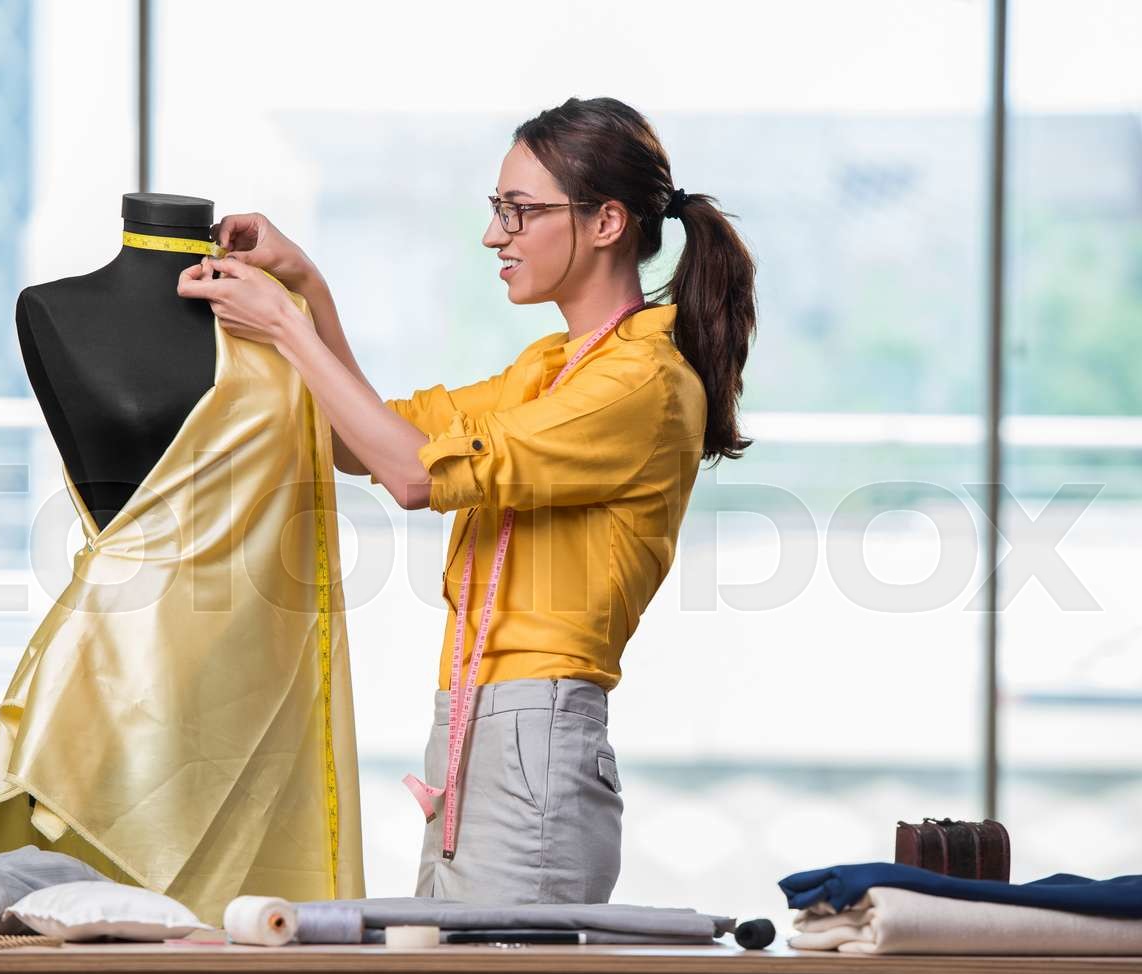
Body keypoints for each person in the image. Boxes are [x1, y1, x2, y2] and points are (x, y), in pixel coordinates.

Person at [176, 96, 756, 905]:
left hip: (535, 732)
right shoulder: (551, 367)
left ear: (606, 222)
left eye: (519, 212)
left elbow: (416, 479)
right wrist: (303, 285)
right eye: (498, 210)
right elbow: (364, 442)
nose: (495, 235)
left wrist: (285, 328)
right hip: (478, 721)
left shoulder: (640, 384)